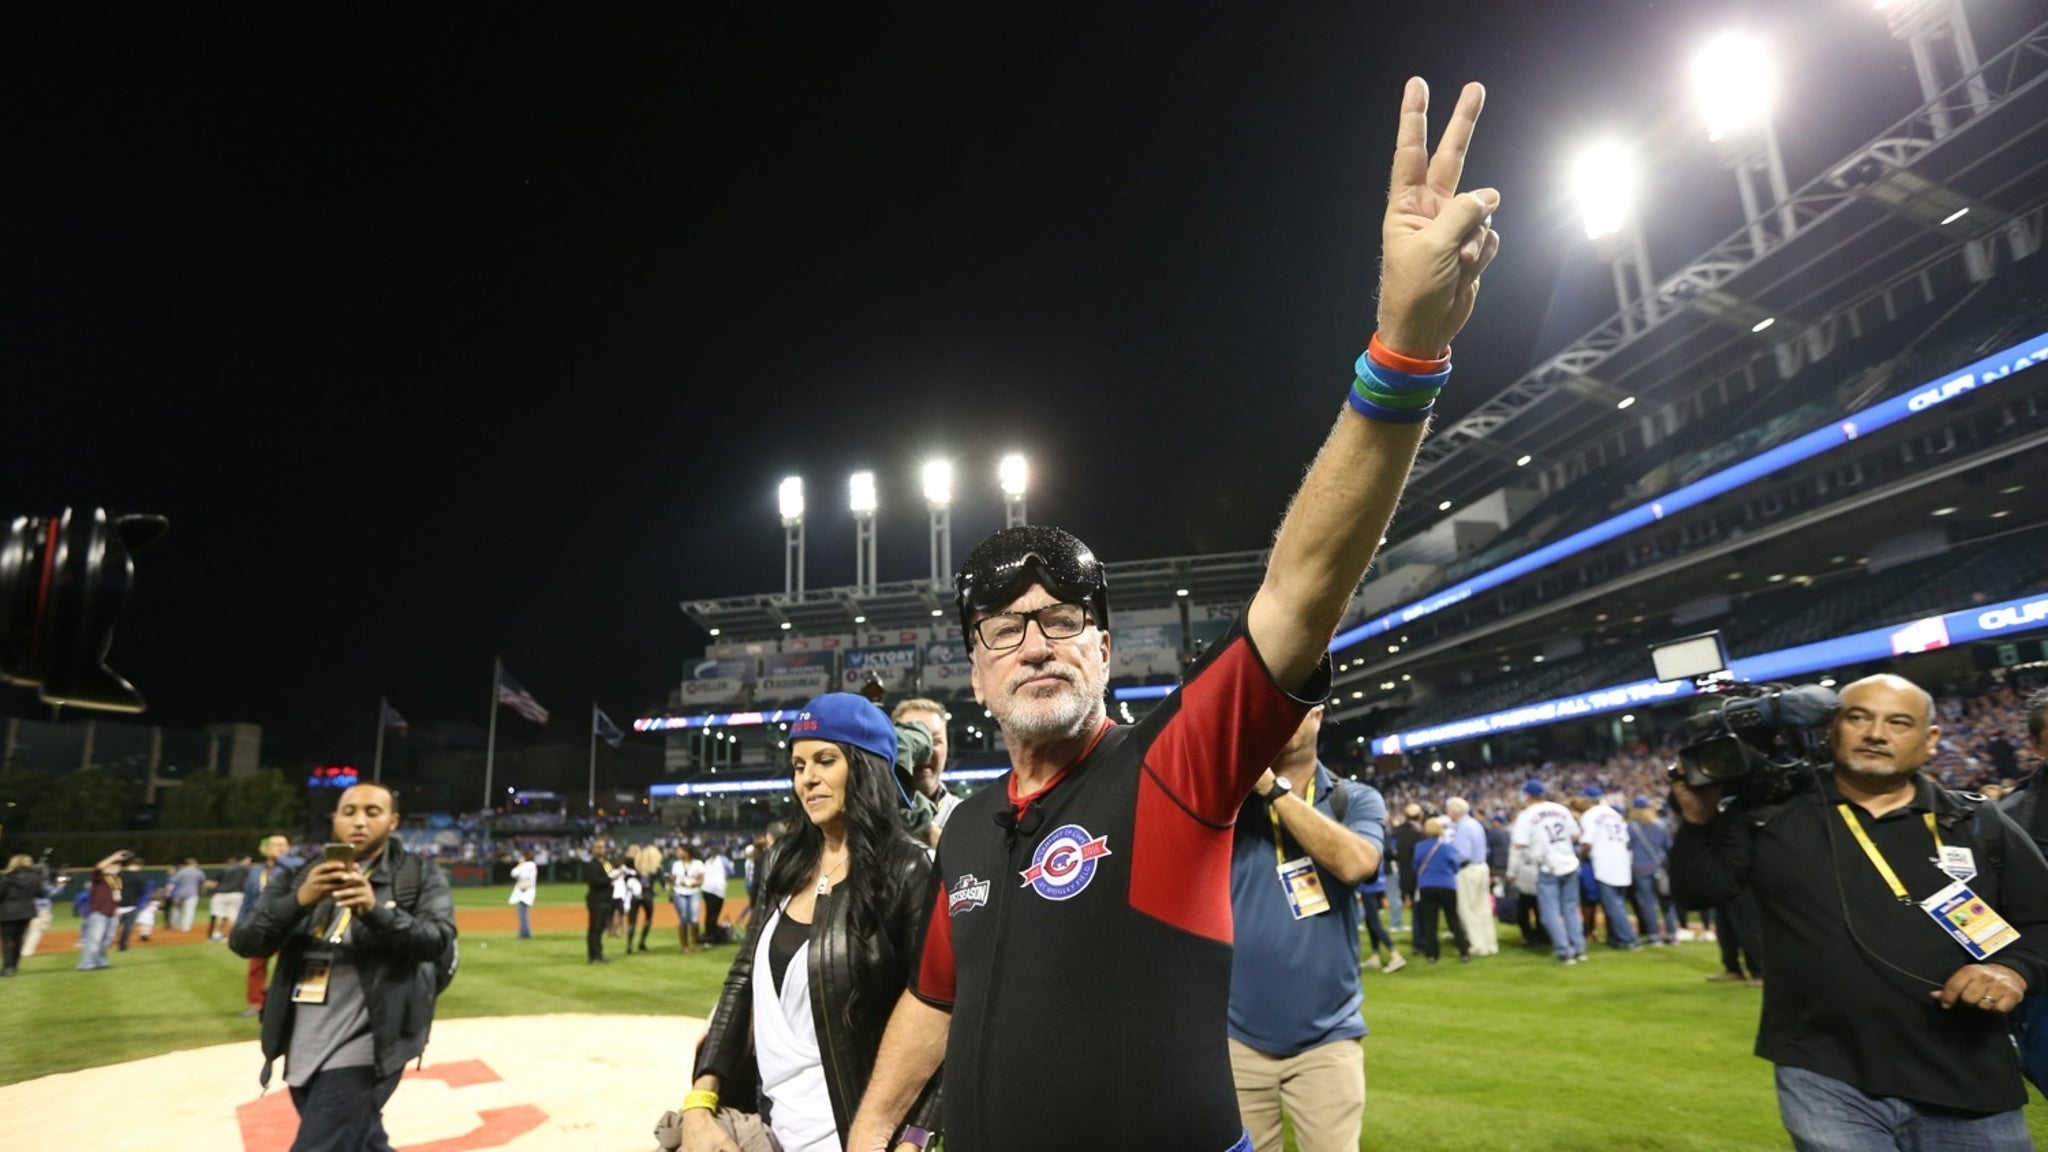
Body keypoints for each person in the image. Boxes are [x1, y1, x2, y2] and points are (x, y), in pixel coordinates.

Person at [846, 76, 1500, 1152]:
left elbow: (1298, 593)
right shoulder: (964, 828)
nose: (1035, 643)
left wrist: (1402, 353)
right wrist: (870, 1131)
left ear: (1105, 649)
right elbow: (934, 998)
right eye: (1003, 628)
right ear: (975, 672)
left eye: (1063, 619)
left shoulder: (1171, 770)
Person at [1671, 673, 2048, 1150]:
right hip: (1826, 1075)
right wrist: (1697, 821)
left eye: (1898, 722)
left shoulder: (1975, 822)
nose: (1876, 733)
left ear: (1930, 738)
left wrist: (2013, 970)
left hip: (1968, 1073)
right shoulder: (1770, 816)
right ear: (1831, 730)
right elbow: (1700, 891)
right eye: (1858, 718)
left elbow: (2042, 921)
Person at [656, 693, 942, 1152]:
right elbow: (742, 979)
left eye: (825, 760)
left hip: (857, 1135)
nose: (807, 778)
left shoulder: (909, 870)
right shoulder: (782, 862)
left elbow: (942, 1014)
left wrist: (913, 1140)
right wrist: (700, 1100)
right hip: (768, 1127)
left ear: (865, 767)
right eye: (798, 765)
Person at [229, 782, 456, 1152]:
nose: (359, 821)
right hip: (305, 1039)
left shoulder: (418, 875)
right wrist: (299, 901)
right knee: (362, 1143)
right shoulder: (299, 877)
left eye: (372, 812)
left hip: (371, 1042)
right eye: (349, 812)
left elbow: (436, 941)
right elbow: (246, 941)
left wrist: (374, 911)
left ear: (393, 821)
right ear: (334, 819)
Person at [1226, 706, 1385, 1152]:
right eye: (1271, 707)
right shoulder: (1227, 803)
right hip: (1237, 1037)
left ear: (1317, 714)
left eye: (1292, 708)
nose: (1279, 717)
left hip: (1328, 1038)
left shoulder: (1353, 798)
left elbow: (1357, 864)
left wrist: (1272, 790)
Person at [1510, 779, 1585, 964]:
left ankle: (1564, 952)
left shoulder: (1526, 815)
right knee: (1570, 909)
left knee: (1550, 913)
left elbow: (1518, 844)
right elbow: (1576, 835)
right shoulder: (1560, 809)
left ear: (1528, 795)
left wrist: (1536, 848)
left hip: (1548, 867)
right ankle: (1579, 949)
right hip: (1569, 862)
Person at [892, 698, 961, 848]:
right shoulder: (869, 814)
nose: (926, 752)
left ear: (947, 746)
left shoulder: (969, 815)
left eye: (935, 741)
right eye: (913, 741)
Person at [243, 834, 299, 1017]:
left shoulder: (297, 864)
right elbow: (248, 898)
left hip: (288, 922)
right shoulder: (256, 871)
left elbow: (296, 870)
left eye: (284, 845)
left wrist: (279, 858)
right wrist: (242, 922)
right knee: (256, 965)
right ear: (264, 848)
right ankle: (256, 1003)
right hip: (261, 924)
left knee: (289, 965)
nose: (281, 848)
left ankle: (287, 1004)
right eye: (276, 845)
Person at [1578, 792, 1639, 950]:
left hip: (1605, 863)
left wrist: (1581, 858)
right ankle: (1615, 938)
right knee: (1618, 904)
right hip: (1622, 861)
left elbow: (1587, 843)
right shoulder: (1614, 813)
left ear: (1587, 800)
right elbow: (1626, 839)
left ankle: (1629, 939)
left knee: (1613, 906)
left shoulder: (1590, 814)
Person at [1409, 816, 1470, 963]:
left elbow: (1415, 866)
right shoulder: (1447, 847)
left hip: (1427, 886)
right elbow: (1455, 865)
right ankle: (1464, 951)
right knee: (1453, 919)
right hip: (1447, 885)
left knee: (1430, 921)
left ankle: (1432, 954)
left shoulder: (1420, 847)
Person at [1445, 797, 1498, 957]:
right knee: (1483, 907)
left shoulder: (1463, 827)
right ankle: (1490, 944)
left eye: (1449, 810)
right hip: (1482, 866)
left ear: (1454, 811)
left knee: (1467, 908)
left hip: (1468, 870)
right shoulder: (1475, 823)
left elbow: (1463, 855)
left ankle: (1477, 945)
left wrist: (1450, 861)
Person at [75, 850, 128, 971]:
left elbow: (116, 897)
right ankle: (87, 964)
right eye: (112, 865)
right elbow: (98, 867)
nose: (115, 866)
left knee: (107, 940)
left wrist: (117, 909)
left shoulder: (117, 880)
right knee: (94, 939)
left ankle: (101, 962)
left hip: (112, 913)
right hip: (98, 912)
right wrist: (113, 857)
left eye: (117, 865)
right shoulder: (99, 876)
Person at [0, 855, 42, 976]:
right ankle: (14, 966)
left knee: (8, 940)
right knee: (18, 939)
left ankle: (8, 967)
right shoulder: (34, 877)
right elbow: (41, 893)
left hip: (7, 912)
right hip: (26, 912)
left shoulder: (7, 878)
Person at [583, 839, 618, 964]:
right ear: (593, 849)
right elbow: (595, 882)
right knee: (595, 929)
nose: (601, 849)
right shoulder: (591, 865)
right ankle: (593, 956)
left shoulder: (607, 863)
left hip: (607, 899)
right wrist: (610, 879)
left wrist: (614, 877)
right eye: (598, 847)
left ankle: (599, 954)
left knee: (601, 928)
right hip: (596, 899)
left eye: (602, 847)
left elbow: (611, 875)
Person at [211, 854, 253, 941]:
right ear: (245, 859)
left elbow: (216, 882)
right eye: (249, 860)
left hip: (220, 894)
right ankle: (228, 935)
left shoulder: (227, 868)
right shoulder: (246, 868)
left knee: (219, 915)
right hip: (236, 893)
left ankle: (216, 935)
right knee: (233, 914)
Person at [670, 846, 705, 953]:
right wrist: (674, 880)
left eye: (680, 851)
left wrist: (694, 884)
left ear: (687, 852)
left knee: (694, 919)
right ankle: (685, 946)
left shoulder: (698, 863)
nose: (678, 853)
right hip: (679, 892)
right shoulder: (676, 864)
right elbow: (673, 879)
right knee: (683, 919)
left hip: (693, 892)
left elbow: (701, 879)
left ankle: (695, 943)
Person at [509, 851, 537, 940]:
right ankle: (524, 932)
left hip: (524, 889)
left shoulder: (525, 865)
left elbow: (513, 873)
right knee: (522, 912)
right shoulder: (533, 864)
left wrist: (520, 864)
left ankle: (525, 933)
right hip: (529, 888)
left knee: (522, 913)